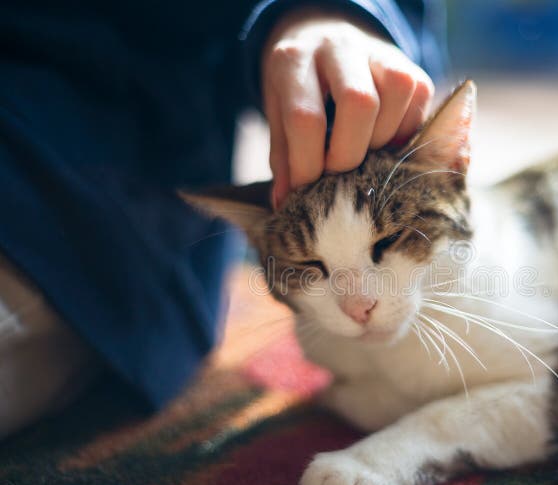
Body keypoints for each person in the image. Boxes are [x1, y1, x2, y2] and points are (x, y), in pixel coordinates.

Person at [0, 0, 443, 438]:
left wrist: (330, 8)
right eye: (314, 270)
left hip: (64, 156)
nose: (358, 307)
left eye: (386, 245)